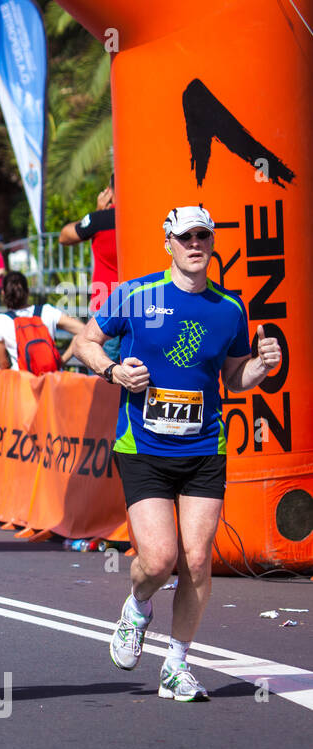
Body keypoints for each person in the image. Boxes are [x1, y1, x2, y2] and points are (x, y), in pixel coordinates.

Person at [73, 205, 281, 702]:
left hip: (205, 447)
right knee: (160, 557)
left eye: (203, 237)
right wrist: (113, 371)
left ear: (211, 244)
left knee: (198, 561)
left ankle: (176, 664)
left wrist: (262, 368)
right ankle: (137, 607)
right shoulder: (135, 295)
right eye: (185, 237)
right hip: (143, 446)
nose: (195, 244)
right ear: (168, 243)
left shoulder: (229, 308)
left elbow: (233, 379)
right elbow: (83, 342)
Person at [60, 176, 121, 362]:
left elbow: (64, 236)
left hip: (105, 304)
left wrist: (96, 213)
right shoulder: (143, 218)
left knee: (102, 368)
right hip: (141, 301)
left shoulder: (99, 220)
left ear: (109, 191)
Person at [0, 271, 86, 372]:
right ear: (28, 291)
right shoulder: (48, 311)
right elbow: (84, 330)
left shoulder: (0, 321)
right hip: (52, 380)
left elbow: (3, 365)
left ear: (3, 293)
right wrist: (61, 361)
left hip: (24, 382)